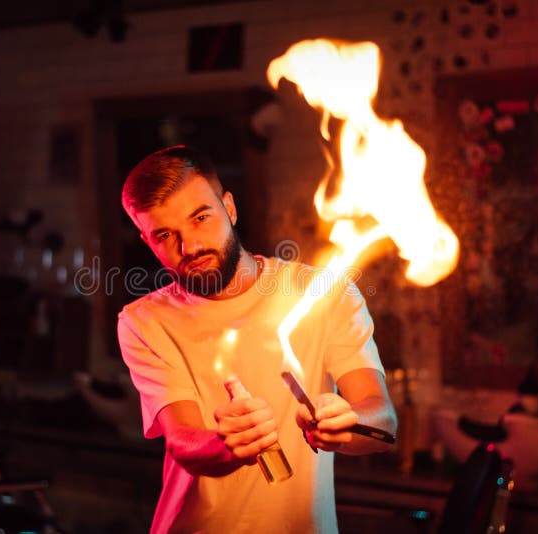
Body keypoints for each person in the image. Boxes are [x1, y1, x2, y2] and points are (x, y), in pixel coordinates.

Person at [118, 145, 397, 533]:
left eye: (201, 217)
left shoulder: (325, 293)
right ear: (147, 241)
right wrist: (225, 444)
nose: (190, 247)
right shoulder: (143, 321)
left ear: (229, 208)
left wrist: (348, 424)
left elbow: (384, 421)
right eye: (165, 235)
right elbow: (182, 440)